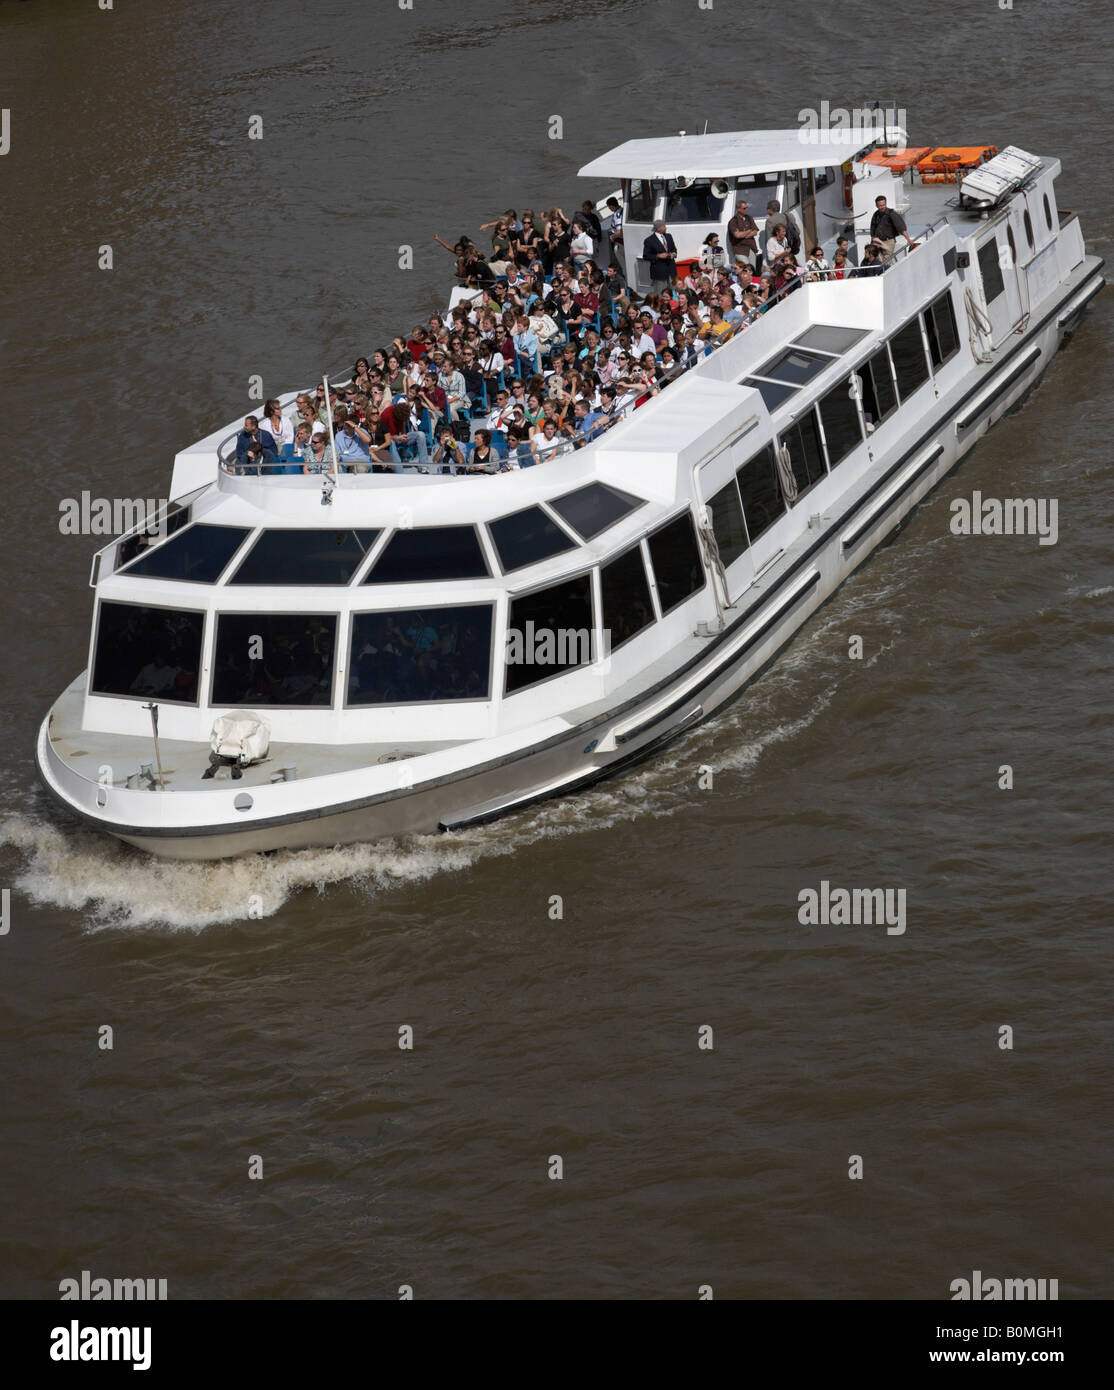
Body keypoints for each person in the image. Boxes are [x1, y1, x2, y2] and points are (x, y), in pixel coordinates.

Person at [869, 196, 914, 261]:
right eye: (880, 206)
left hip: (889, 241)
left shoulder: (891, 213)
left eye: (883, 205)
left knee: (886, 262)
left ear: (886, 203)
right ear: (876, 205)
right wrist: (872, 242)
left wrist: (908, 239)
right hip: (877, 242)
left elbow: (901, 228)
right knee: (876, 261)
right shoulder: (875, 215)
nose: (881, 207)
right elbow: (873, 230)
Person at [642, 218, 677, 290]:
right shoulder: (649, 240)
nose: (666, 227)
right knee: (661, 294)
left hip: (671, 271)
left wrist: (674, 254)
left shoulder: (669, 236)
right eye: (664, 226)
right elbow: (646, 256)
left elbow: (674, 249)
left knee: (674, 294)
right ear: (658, 228)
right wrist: (657, 256)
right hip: (659, 273)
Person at [727, 199, 759, 268]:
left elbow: (755, 232)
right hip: (739, 249)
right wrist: (749, 231)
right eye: (744, 208)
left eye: (747, 207)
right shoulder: (733, 221)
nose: (746, 209)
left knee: (753, 269)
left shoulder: (749, 218)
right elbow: (737, 235)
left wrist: (744, 234)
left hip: (751, 248)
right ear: (738, 209)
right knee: (747, 268)